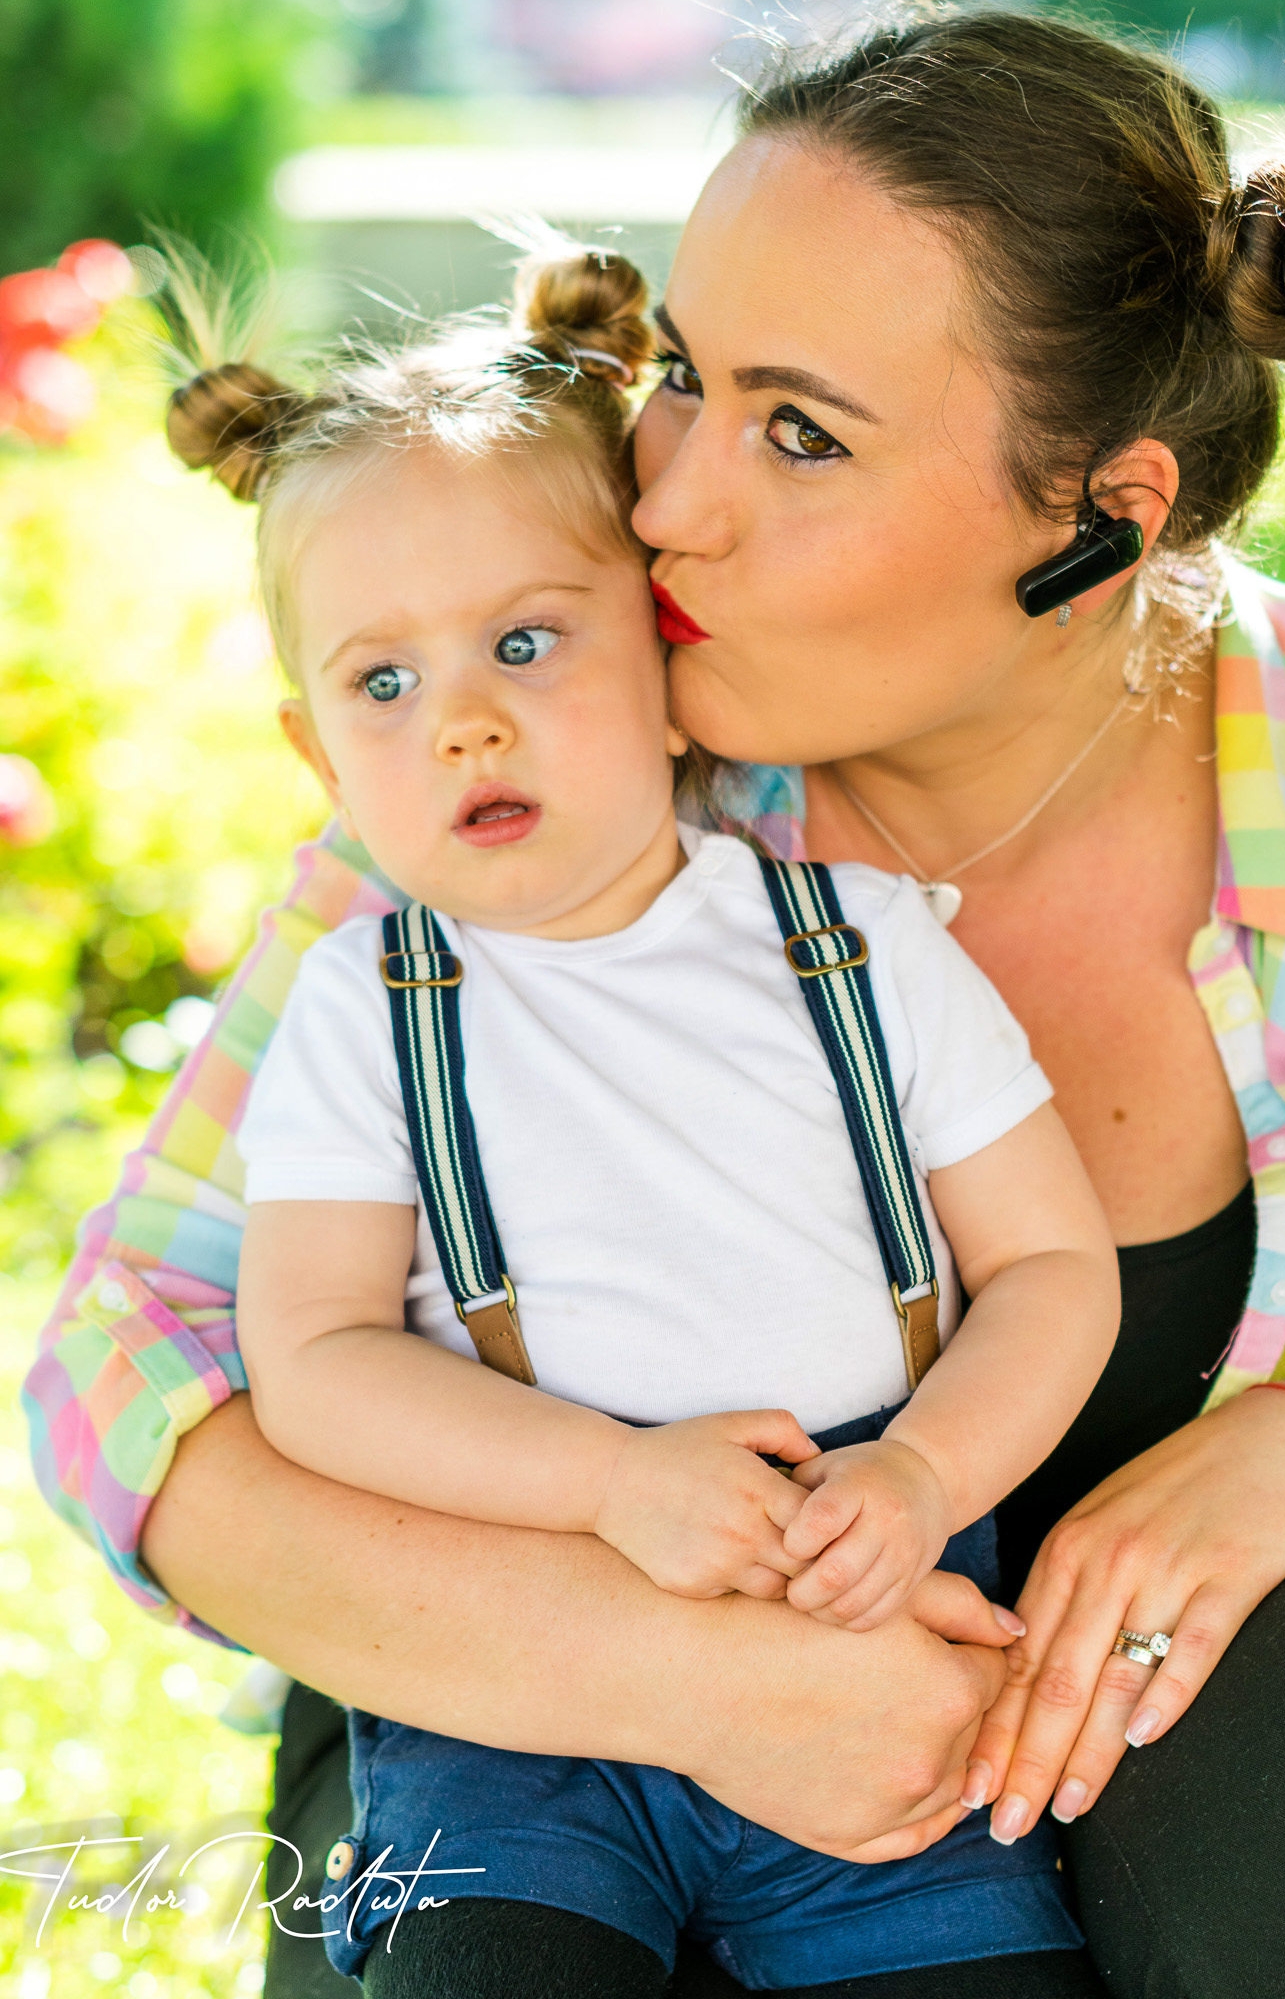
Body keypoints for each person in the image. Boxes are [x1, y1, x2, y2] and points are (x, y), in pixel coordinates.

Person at [23, 0, 1285, 1999]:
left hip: (1046, 1743)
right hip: (525, 1727)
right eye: (680, 375)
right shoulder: (550, 766)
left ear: (1100, 513)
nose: (658, 497)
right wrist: (686, 1675)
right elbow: (123, 1374)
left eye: (794, 430)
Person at [197, 244, 1118, 1987]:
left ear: (656, 641)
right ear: (318, 757)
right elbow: (313, 1357)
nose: (463, 719)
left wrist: (922, 1473)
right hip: (517, 1695)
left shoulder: (853, 946)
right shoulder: (365, 1012)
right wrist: (607, 1482)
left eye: (526, 642)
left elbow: (1057, 1267)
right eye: (382, 686)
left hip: (867, 1608)